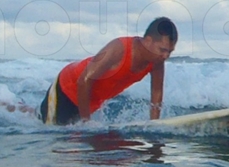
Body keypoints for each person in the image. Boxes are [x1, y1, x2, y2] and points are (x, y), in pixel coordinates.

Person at [37, 17, 178, 125]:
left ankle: (24, 110)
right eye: (163, 50)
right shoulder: (120, 49)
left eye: (170, 52)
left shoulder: (157, 61)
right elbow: (84, 80)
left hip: (88, 101)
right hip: (66, 89)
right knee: (54, 136)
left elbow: (156, 93)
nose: (166, 56)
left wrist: (153, 124)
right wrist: (86, 123)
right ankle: (23, 111)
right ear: (148, 41)